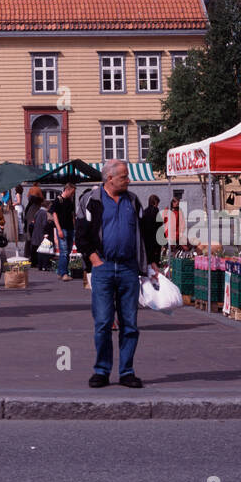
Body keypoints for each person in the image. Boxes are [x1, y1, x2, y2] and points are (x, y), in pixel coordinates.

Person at [75, 159, 161, 389]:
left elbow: (146, 233)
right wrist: (95, 260)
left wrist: (152, 261)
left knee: (129, 324)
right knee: (103, 322)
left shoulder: (132, 201)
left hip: (128, 268)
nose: (128, 180)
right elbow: (81, 234)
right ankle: (101, 371)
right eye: (124, 176)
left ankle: (127, 372)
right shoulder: (90, 201)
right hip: (103, 268)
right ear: (109, 178)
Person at [52, 183, 77, 280]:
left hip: (70, 228)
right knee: (64, 251)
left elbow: (72, 215)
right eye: (72, 192)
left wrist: (74, 226)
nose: (73, 194)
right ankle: (64, 273)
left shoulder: (69, 201)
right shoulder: (58, 200)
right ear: (68, 190)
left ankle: (60, 271)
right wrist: (58, 229)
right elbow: (54, 215)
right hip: (62, 228)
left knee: (68, 251)